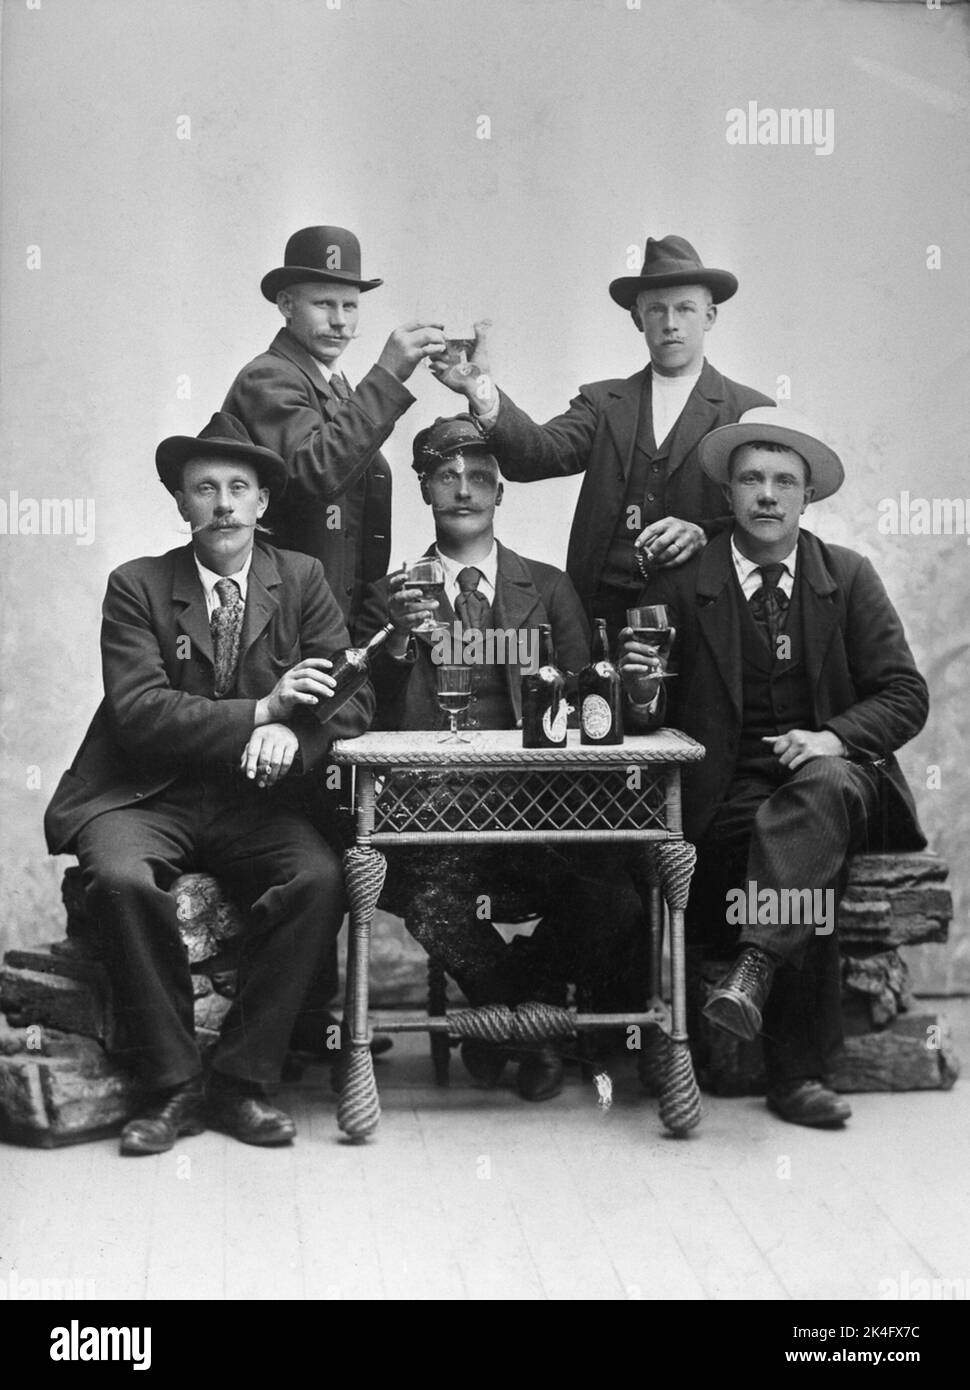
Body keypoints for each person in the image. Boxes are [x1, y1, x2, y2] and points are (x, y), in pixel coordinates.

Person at [43, 413, 374, 1155]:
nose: (222, 503)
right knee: (123, 880)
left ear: (261, 504)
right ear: (181, 504)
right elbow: (139, 714)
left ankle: (241, 1080)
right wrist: (261, 709)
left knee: (320, 878)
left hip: (252, 802)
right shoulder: (137, 585)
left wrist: (295, 732)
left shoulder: (303, 580)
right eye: (203, 490)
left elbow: (353, 697)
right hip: (144, 792)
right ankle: (173, 1084)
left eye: (237, 489)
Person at [619, 407, 929, 1127]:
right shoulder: (683, 581)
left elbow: (906, 695)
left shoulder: (847, 578)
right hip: (722, 795)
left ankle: (755, 975)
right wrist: (636, 687)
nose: (766, 495)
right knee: (792, 851)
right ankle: (796, 1075)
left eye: (784, 482)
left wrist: (834, 737)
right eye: (751, 479)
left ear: (807, 496)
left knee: (816, 796)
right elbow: (640, 714)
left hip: (834, 782)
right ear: (726, 495)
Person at [355, 414, 658, 1099]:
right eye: (446, 476)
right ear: (424, 489)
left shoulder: (548, 589)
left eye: (480, 477)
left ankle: (515, 1013)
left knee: (616, 885)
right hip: (430, 813)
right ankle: (537, 1025)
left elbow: (587, 705)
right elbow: (363, 721)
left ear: (502, 492)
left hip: (543, 802)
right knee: (429, 897)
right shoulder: (388, 598)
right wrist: (400, 644)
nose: (463, 489)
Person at [432, 234, 774, 633]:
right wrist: (481, 390)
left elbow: (771, 518)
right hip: (601, 616)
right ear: (637, 319)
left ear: (710, 316)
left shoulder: (750, 411)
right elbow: (537, 456)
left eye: (685, 309)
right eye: (657, 310)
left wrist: (704, 532)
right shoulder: (603, 402)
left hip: (705, 617)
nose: (671, 324)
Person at [223, 224, 446, 620]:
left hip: (331, 620)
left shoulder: (333, 385)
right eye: (324, 304)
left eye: (350, 305)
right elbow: (316, 471)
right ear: (287, 305)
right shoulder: (268, 377)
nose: (340, 321)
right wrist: (388, 376)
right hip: (286, 619)